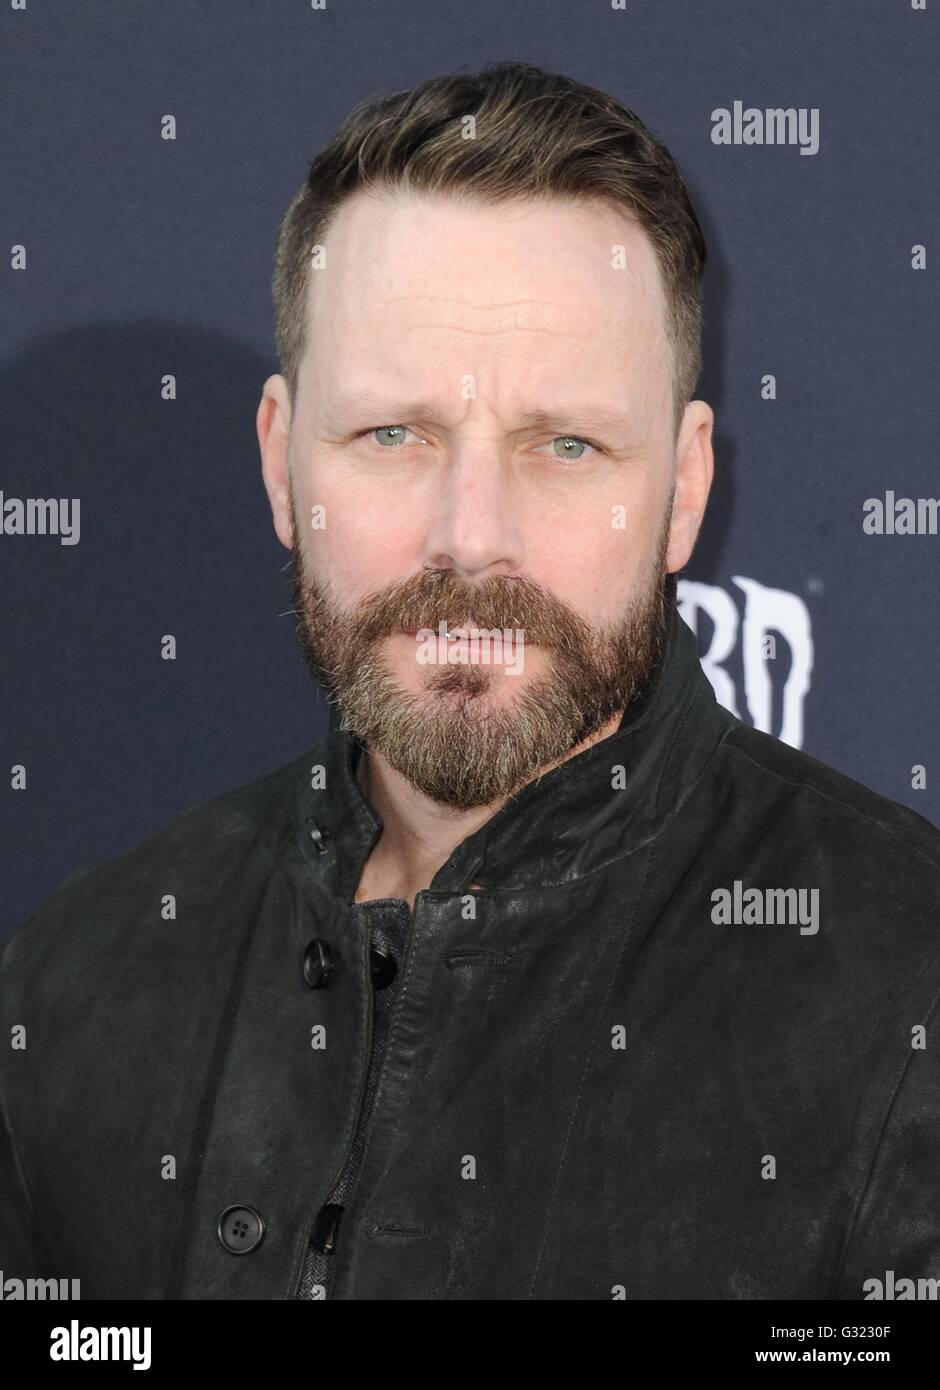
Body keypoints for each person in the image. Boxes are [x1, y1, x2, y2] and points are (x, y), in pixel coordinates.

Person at [2, 60, 939, 1302]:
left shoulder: (909, 985)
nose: (470, 533)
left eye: (566, 443)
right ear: (284, 463)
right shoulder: (76, 979)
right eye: (392, 433)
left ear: (685, 489)